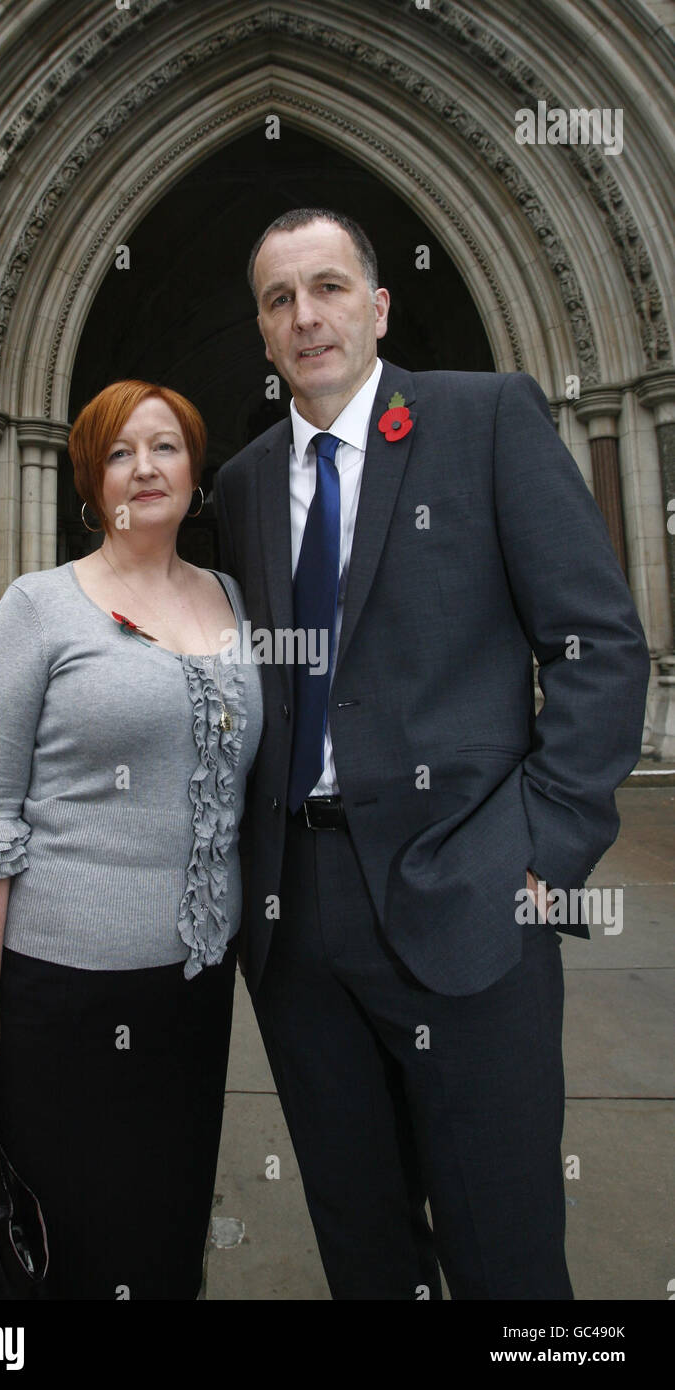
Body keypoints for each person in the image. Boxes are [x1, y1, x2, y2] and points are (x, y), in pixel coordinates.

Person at [212, 207, 650, 1300]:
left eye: (328, 287)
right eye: (279, 300)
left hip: (469, 893)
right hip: (296, 921)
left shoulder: (483, 417)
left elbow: (597, 645)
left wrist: (542, 852)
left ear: (377, 305)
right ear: (262, 332)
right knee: (364, 1250)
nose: (306, 316)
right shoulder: (246, 481)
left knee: (505, 1253)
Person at [0, 380, 263, 1300]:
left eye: (165, 447)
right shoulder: (37, 608)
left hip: (193, 992)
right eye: (119, 453)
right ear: (90, 481)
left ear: (195, 472)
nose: (144, 468)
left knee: (166, 1241)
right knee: (66, 1252)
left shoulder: (233, 599)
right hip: (62, 996)